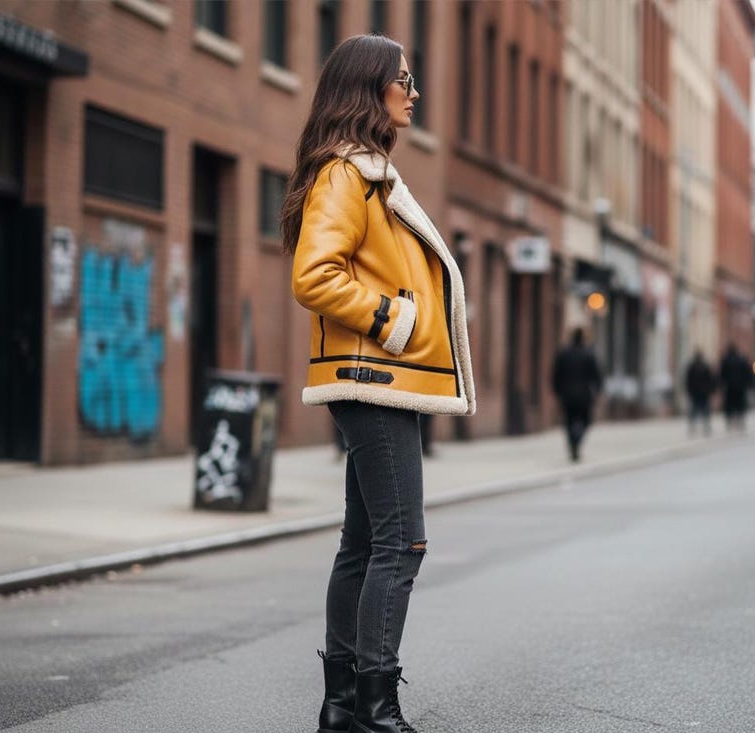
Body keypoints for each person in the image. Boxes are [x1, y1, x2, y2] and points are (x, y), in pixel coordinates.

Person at [281, 35, 475, 733]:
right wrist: (393, 318)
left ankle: (342, 705)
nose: (413, 91)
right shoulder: (347, 174)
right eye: (402, 79)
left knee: (364, 543)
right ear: (370, 88)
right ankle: (375, 706)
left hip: (375, 376)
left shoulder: (369, 173)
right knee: (402, 542)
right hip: (373, 375)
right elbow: (314, 274)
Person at [551, 328, 602, 462]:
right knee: (585, 420)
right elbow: (597, 376)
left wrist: (557, 392)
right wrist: (597, 392)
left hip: (566, 395)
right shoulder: (588, 354)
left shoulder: (563, 354)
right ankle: (577, 440)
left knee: (568, 420)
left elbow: (556, 375)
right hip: (584, 395)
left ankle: (572, 443)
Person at [719, 343, 751, 431]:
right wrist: (748, 384)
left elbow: (722, 374)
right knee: (740, 404)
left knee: (730, 404)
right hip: (740, 387)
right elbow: (748, 373)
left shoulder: (726, 360)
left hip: (729, 387)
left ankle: (730, 421)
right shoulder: (741, 360)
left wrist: (722, 385)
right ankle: (740, 420)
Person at [684, 350, 715, 436]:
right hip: (703, 392)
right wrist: (710, 390)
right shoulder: (704, 367)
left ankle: (693, 426)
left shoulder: (692, 367)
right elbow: (710, 380)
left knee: (695, 409)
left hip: (695, 392)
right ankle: (705, 426)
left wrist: (689, 390)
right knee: (704, 409)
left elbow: (688, 380)